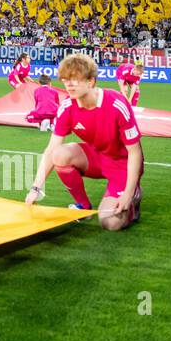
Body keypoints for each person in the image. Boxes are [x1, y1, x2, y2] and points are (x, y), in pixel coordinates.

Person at [26, 53, 143, 231]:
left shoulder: (116, 103)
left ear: (91, 81)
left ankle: (134, 195)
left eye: (76, 79)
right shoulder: (67, 107)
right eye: (65, 80)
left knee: (110, 222)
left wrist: (127, 194)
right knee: (60, 154)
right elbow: (51, 149)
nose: (69, 84)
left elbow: (135, 152)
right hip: (96, 157)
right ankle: (84, 207)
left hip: (122, 164)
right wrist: (36, 187)